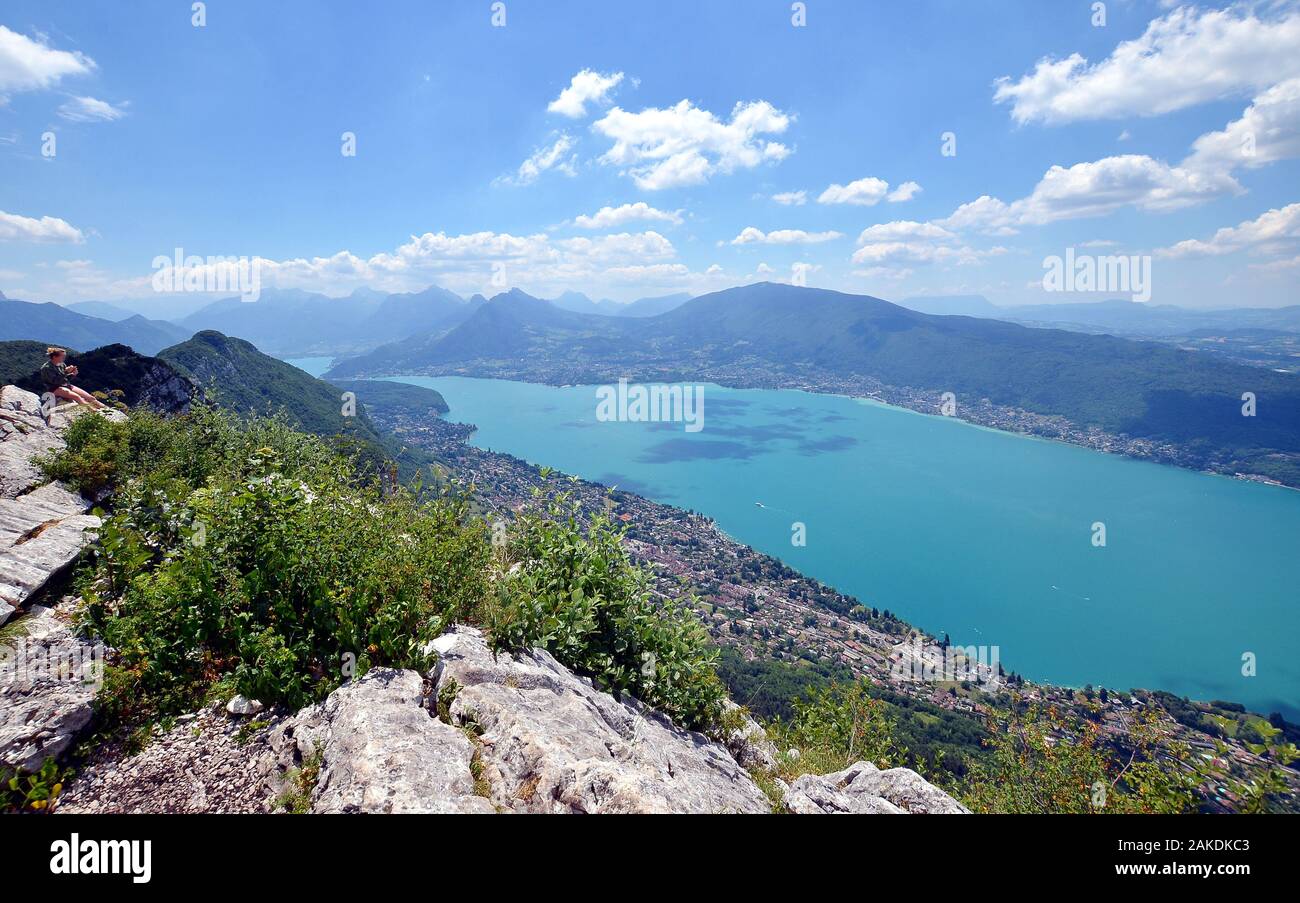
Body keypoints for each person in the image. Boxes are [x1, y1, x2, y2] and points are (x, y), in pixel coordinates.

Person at [39, 348, 107, 410]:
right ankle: (92, 410)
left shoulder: (62, 364)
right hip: (53, 388)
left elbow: (65, 379)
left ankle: (106, 409)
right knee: (77, 397)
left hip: (65, 385)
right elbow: (55, 382)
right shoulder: (46, 368)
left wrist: (72, 374)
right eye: (62, 356)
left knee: (91, 398)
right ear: (54, 357)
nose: (64, 358)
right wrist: (66, 372)